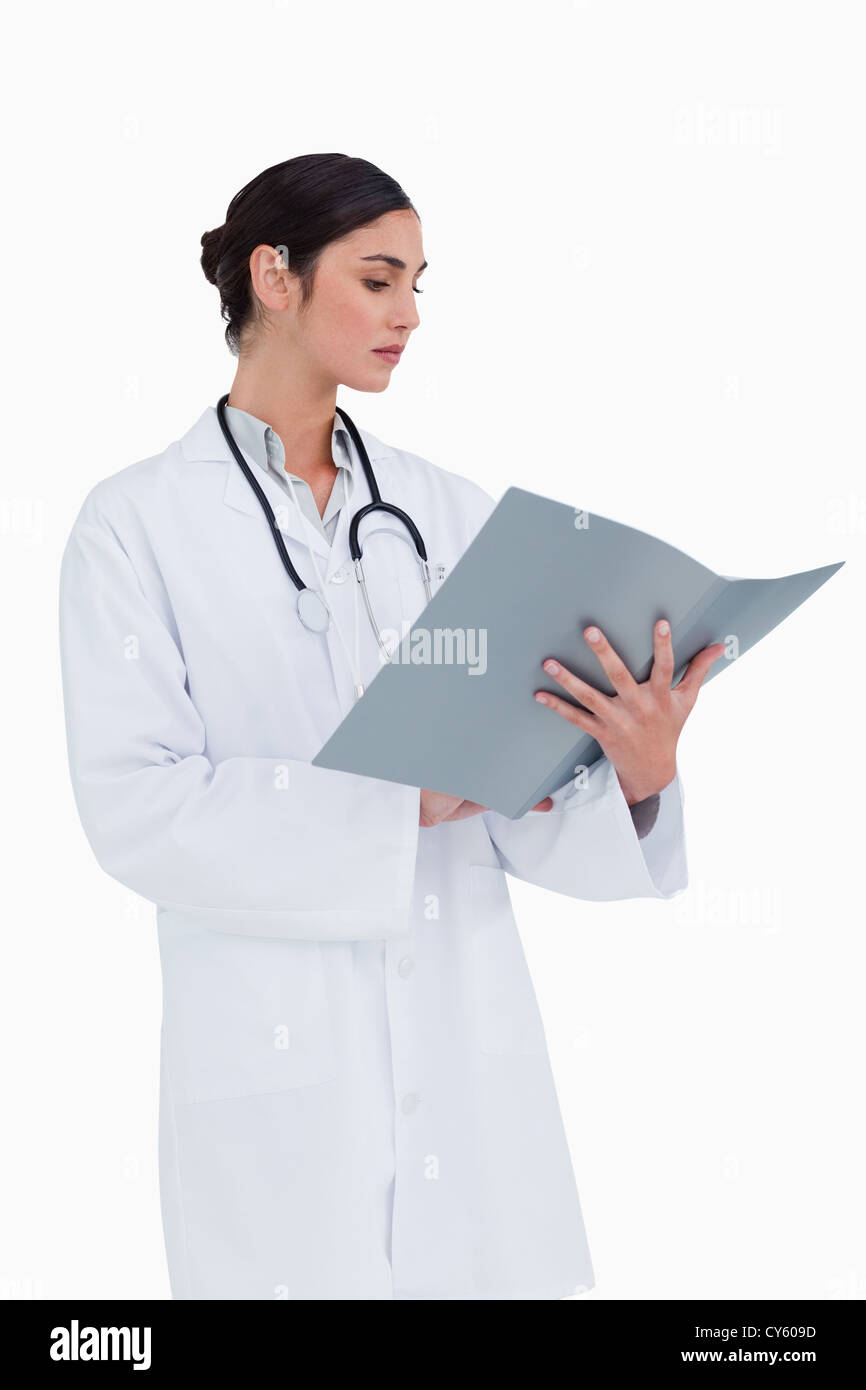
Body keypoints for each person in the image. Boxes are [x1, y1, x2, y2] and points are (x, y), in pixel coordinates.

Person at [58, 153, 724, 1301]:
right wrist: (390, 802)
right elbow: (136, 809)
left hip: (468, 1057)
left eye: (417, 282)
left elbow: (523, 796)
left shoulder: (448, 515)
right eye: (377, 278)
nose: (409, 314)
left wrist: (634, 772)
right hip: (273, 1077)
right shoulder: (133, 526)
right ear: (274, 275)